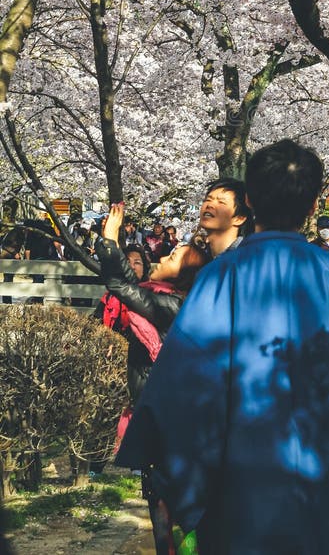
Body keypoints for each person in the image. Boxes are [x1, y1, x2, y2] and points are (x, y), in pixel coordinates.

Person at [116, 138, 329, 555]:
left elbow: (180, 388)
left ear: (251, 200)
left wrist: (186, 494)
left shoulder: (220, 279)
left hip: (239, 494)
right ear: (313, 206)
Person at [97, 204, 211, 553]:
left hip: (167, 417)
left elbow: (121, 285)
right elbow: (134, 289)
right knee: (171, 508)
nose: (165, 255)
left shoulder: (170, 306)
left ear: (185, 273)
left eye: (176, 255)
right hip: (171, 414)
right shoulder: (172, 301)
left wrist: (108, 240)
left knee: (166, 511)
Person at [198, 177, 252, 257]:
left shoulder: (245, 259)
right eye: (208, 200)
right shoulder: (199, 258)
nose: (210, 205)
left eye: (221, 202)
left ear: (239, 218)